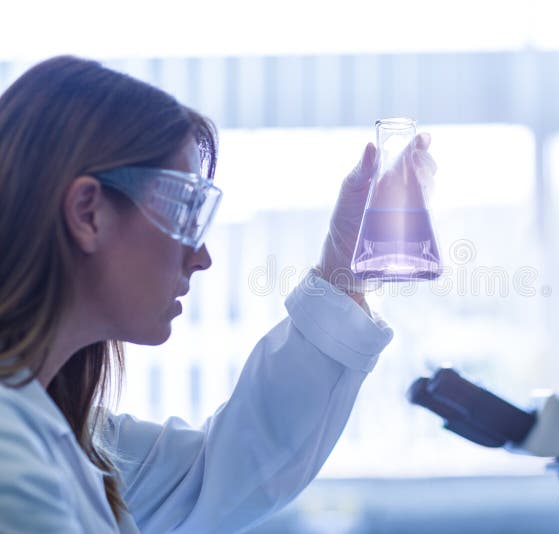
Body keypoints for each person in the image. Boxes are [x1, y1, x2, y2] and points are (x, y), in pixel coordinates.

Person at [0, 56, 436, 533]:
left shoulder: (64, 433)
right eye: (184, 212)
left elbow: (220, 475)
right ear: (88, 213)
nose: (201, 256)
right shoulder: (11, 451)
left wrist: (341, 273)